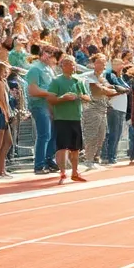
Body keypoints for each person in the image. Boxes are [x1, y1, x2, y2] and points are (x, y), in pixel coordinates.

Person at [49, 54, 89, 184]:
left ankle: (75, 172)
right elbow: (50, 99)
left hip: (76, 118)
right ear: (63, 66)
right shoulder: (56, 81)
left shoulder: (78, 81)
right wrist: (63, 98)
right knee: (62, 147)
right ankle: (62, 173)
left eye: (73, 64)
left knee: (75, 148)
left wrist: (80, 96)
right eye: (70, 64)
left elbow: (88, 97)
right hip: (61, 118)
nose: (73, 66)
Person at [25, 47, 58, 173]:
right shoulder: (35, 69)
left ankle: (49, 159)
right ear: (45, 54)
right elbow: (33, 90)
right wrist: (51, 94)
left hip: (49, 105)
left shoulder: (49, 69)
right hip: (39, 105)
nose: (55, 60)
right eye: (53, 56)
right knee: (44, 134)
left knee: (52, 133)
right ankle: (39, 165)